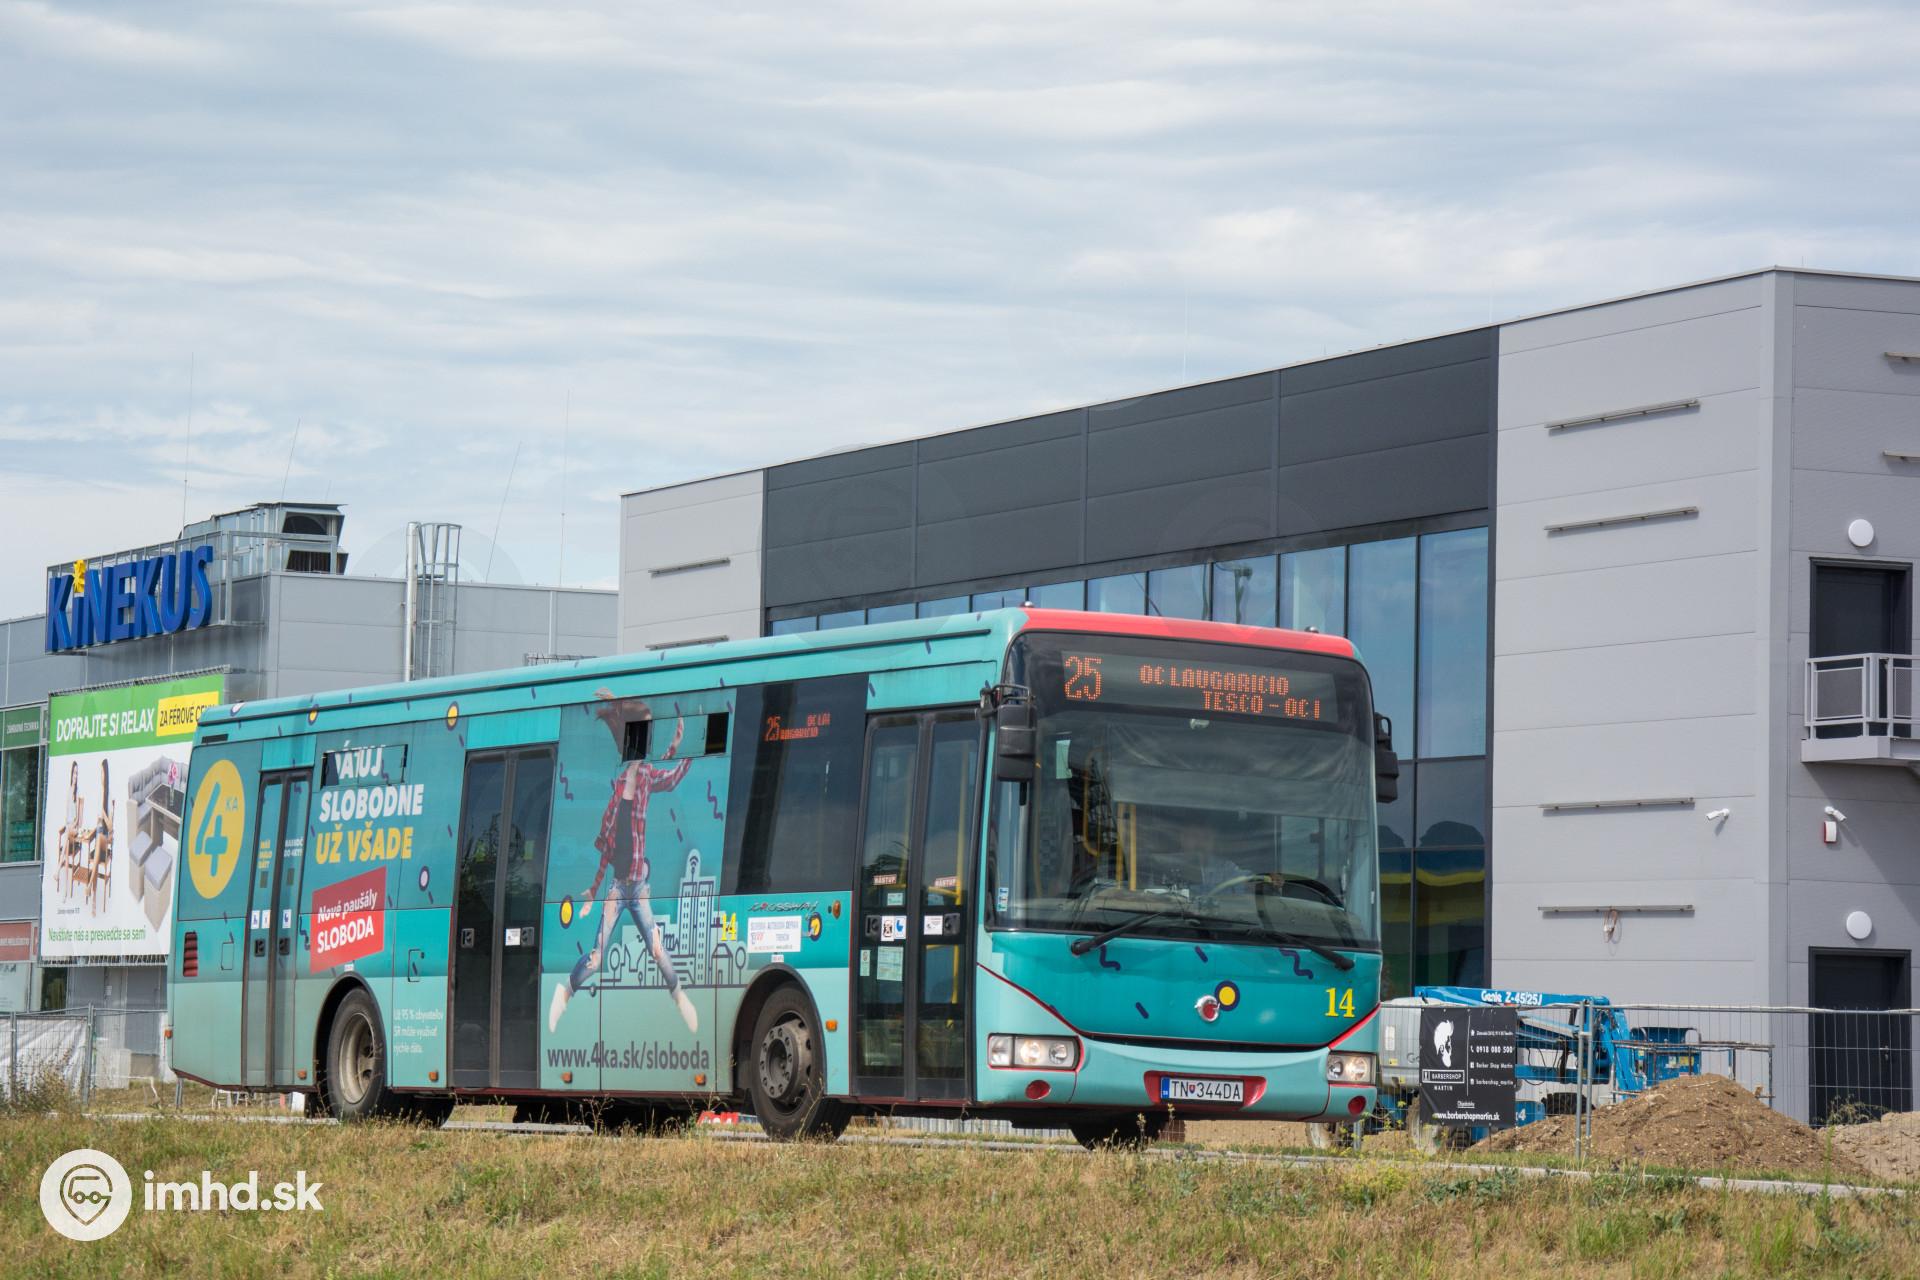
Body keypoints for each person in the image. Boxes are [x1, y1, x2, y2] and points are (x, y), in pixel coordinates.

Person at [549, 693, 698, 1034]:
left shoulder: (645, 777)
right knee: (597, 957)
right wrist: (592, 889)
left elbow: (672, 774)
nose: (639, 748)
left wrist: (682, 743)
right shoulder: (616, 793)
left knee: (657, 947)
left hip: (639, 886)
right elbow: (607, 850)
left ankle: (679, 998)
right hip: (618, 888)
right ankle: (565, 992)